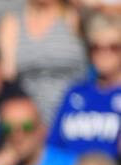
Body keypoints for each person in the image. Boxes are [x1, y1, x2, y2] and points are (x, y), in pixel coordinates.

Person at [0, 0, 88, 125]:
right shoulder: (12, 22)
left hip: (73, 113)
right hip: (29, 119)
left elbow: (95, 3)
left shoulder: (72, 18)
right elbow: (8, 73)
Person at [50, 13, 121, 157]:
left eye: (113, 47)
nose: (104, 53)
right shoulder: (75, 93)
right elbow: (53, 146)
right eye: (96, 47)